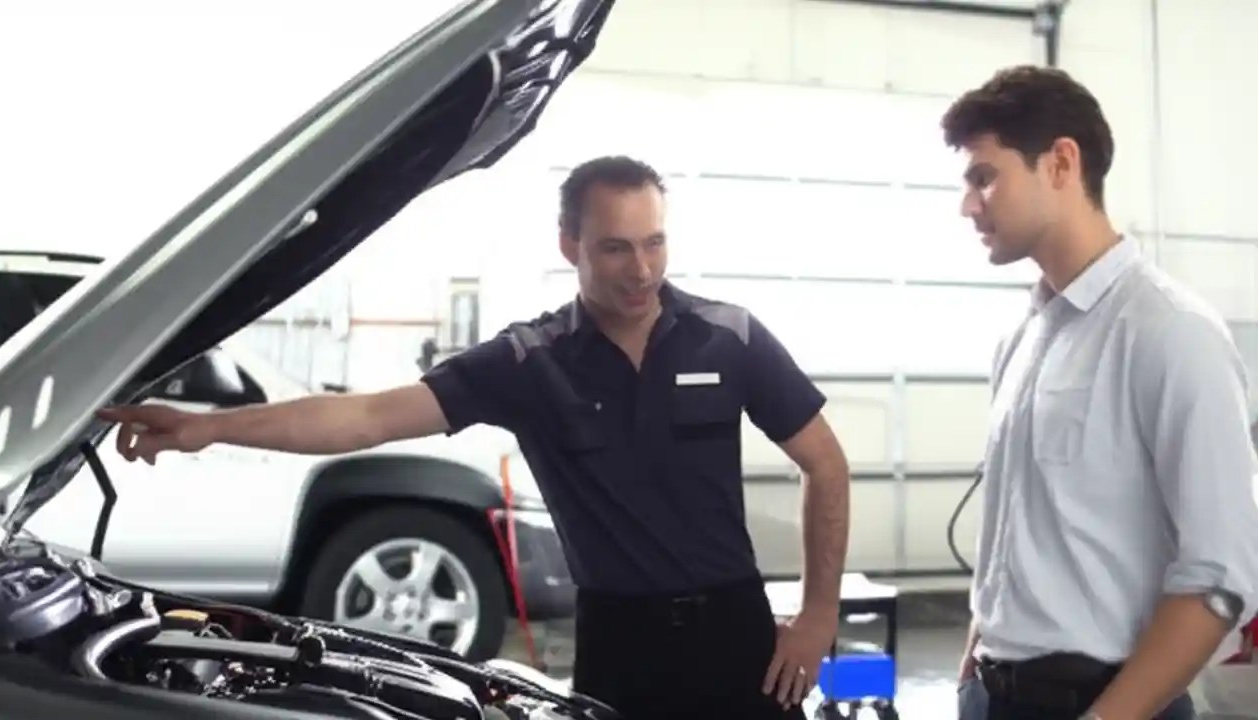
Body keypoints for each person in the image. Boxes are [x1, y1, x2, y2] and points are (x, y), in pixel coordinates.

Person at [97, 155, 852, 720]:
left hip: (738, 634)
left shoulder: (732, 337)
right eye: (617, 248)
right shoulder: (530, 362)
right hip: (622, 644)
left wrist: (819, 616)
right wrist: (208, 427)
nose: (642, 270)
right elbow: (365, 418)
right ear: (569, 245)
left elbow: (825, 462)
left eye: (654, 244)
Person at [943, 64, 1258, 720]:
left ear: (1061, 162)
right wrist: (977, 655)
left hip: (1105, 701)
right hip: (994, 695)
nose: (968, 204)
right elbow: (1017, 522)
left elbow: (1219, 577)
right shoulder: (1021, 341)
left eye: (984, 176)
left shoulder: (1172, 334)